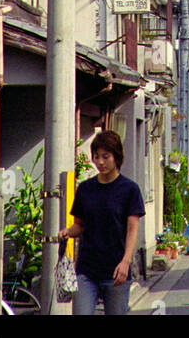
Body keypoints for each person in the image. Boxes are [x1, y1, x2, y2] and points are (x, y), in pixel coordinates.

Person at [59, 130, 145, 316]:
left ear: (116, 157)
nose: (100, 162)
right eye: (96, 157)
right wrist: (68, 231)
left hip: (116, 270)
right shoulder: (85, 189)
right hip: (87, 270)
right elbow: (80, 225)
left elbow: (132, 230)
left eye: (106, 157)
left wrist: (126, 262)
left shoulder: (129, 190)